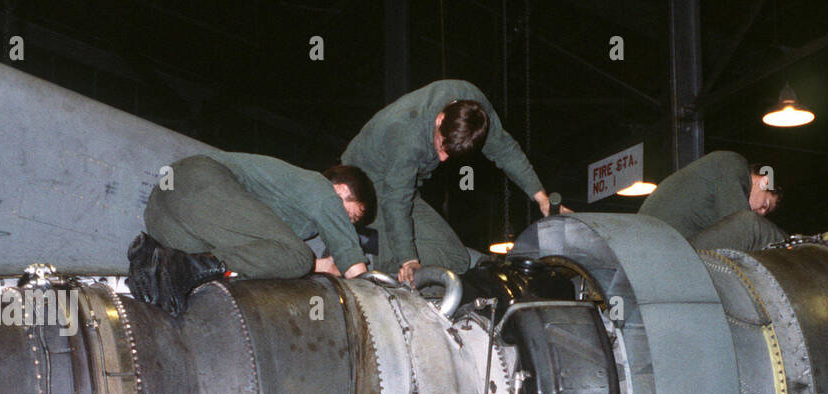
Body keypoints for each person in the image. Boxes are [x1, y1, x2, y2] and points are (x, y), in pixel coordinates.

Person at [342, 79, 565, 283]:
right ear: (440, 120)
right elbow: (396, 201)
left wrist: (542, 198)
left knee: (457, 260)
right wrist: (408, 259)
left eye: (450, 154)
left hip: (403, 187)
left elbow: (506, 151)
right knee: (411, 265)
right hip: (363, 186)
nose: (442, 158)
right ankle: (371, 262)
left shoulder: (475, 113)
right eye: (441, 146)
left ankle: (383, 248)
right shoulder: (407, 134)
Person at [127, 154, 376, 314]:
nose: (347, 224)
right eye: (350, 216)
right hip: (196, 182)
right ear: (340, 189)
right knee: (297, 256)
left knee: (191, 289)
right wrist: (369, 290)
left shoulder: (288, 213)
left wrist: (319, 266)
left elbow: (267, 255)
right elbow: (345, 256)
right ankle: (183, 266)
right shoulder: (320, 189)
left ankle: (151, 261)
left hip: (164, 216)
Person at [638, 150, 787, 251]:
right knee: (752, 225)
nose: (761, 212)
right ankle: (804, 253)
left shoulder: (716, 189)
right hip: (671, 249)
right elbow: (743, 224)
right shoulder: (733, 163)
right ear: (764, 181)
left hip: (665, 247)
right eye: (765, 205)